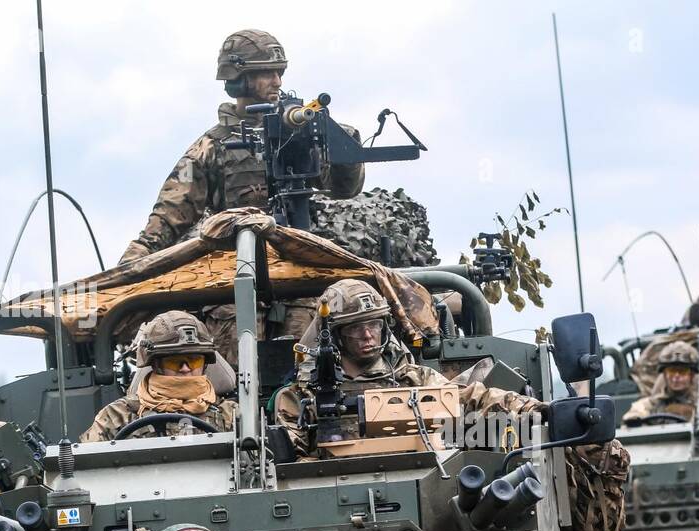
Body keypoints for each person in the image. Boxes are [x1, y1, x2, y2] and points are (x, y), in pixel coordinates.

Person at [118, 29, 366, 264]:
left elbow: (344, 189)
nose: (278, 82)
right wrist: (121, 275)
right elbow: (165, 222)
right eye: (267, 73)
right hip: (238, 277)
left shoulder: (299, 134)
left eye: (280, 72)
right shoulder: (209, 149)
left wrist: (345, 149)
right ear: (239, 79)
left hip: (302, 271)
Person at [274, 279, 546, 455]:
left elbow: (471, 398)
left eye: (374, 326)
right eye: (356, 328)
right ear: (336, 335)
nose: (368, 336)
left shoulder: (415, 380)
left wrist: (529, 408)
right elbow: (290, 465)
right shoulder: (303, 395)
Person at [80, 311, 239, 442]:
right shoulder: (117, 416)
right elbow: (85, 468)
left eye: (194, 361)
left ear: (205, 365)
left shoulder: (230, 415)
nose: (185, 368)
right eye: (174, 362)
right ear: (156, 365)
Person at [623, 341, 699, 425]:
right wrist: (635, 421)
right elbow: (631, 421)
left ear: (691, 375)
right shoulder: (648, 405)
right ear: (665, 375)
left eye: (682, 371)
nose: (676, 376)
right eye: (672, 371)